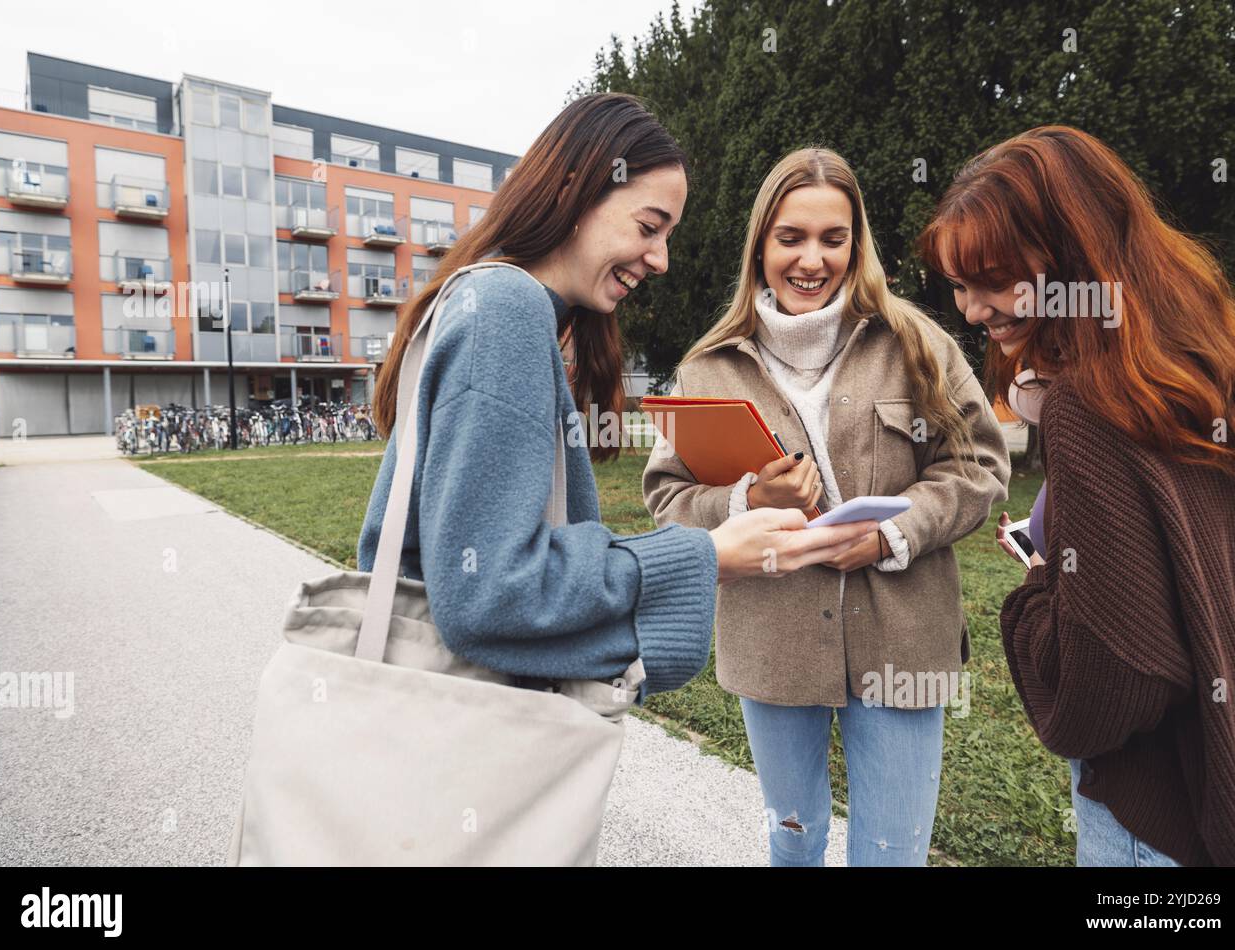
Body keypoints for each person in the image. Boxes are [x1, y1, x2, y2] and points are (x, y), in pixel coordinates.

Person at [357, 95, 876, 712]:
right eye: (648, 227)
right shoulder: (506, 312)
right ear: (574, 193)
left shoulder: (483, 300)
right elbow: (489, 593)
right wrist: (708, 554)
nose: (661, 259)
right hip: (468, 737)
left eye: (668, 235)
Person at [642, 147, 1010, 866]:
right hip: (770, 644)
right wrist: (747, 499)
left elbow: (980, 464)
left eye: (832, 239)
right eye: (792, 238)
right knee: (793, 839)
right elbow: (667, 500)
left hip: (906, 642)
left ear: (856, 244)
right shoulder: (706, 367)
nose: (812, 259)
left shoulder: (919, 344)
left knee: (893, 854)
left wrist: (893, 531)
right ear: (761, 244)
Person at [919, 125, 1235, 866]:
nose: (975, 309)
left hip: (1155, 809)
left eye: (992, 277)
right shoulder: (1211, 367)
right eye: (957, 284)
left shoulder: (1088, 406)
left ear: (1073, 254)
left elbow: (1105, 685)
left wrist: (1036, 593)